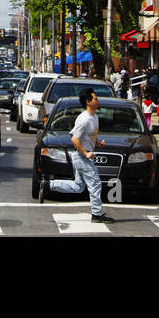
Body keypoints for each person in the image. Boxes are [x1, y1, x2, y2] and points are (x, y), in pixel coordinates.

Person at [39, 87, 114, 223]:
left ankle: (49, 185)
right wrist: (86, 153)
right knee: (96, 184)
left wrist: (98, 142)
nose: (98, 101)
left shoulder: (94, 117)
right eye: (95, 98)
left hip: (81, 157)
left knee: (78, 187)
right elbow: (74, 139)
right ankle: (96, 214)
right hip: (81, 157)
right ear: (88, 102)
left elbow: (90, 136)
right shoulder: (84, 119)